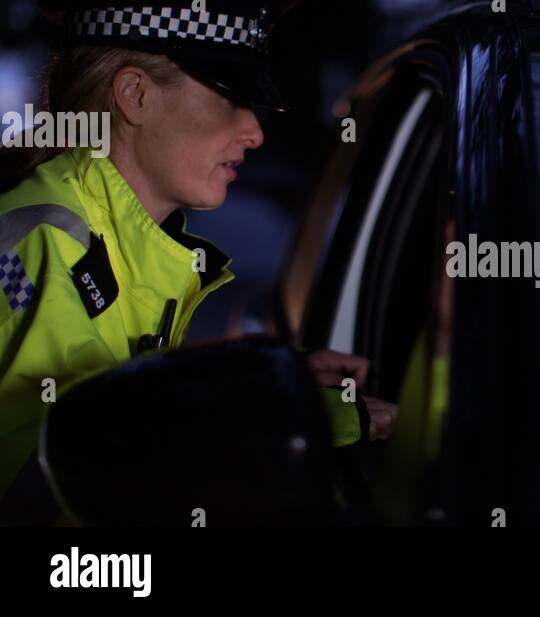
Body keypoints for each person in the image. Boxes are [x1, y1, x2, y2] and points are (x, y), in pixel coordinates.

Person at [0, 0, 396, 525]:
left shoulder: (109, 239)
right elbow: (89, 465)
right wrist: (309, 415)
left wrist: (272, 383)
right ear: (135, 95)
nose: (254, 131)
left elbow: (129, 405)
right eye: (229, 96)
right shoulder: (50, 245)